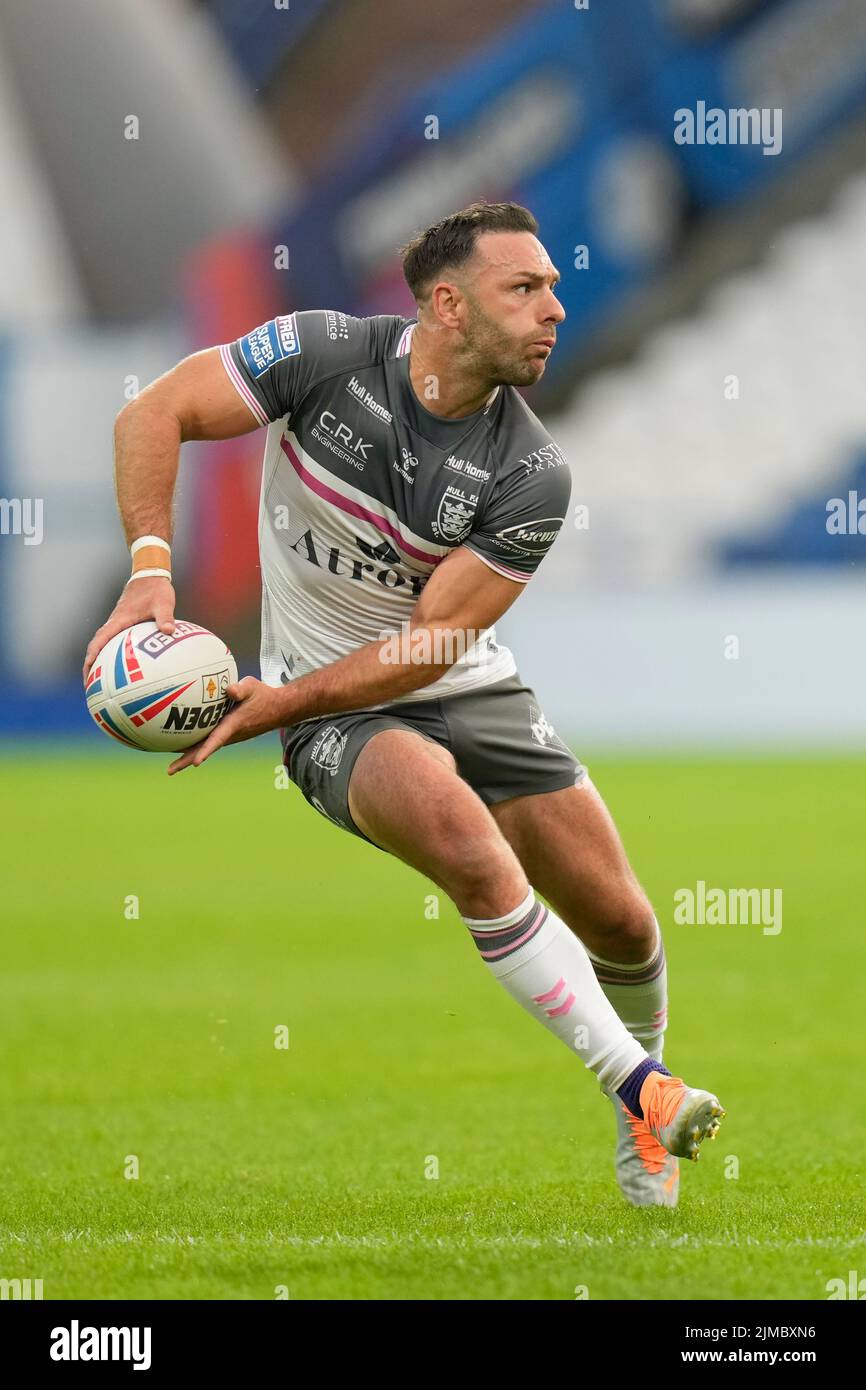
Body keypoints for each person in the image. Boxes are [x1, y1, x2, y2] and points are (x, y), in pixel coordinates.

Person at [84, 201, 724, 1206]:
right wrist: (150, 574)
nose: (554, 306)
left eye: (553, 287)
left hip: (447, 681)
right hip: (332, 711)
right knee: (464, 843)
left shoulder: (529, 472)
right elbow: (149, 414)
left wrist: (279, 695)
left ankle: (632, 1099)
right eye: (525, 288)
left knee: (624, 922)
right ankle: (639, 1087)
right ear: (446, 304)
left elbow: (426, 645)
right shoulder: (323, 354)